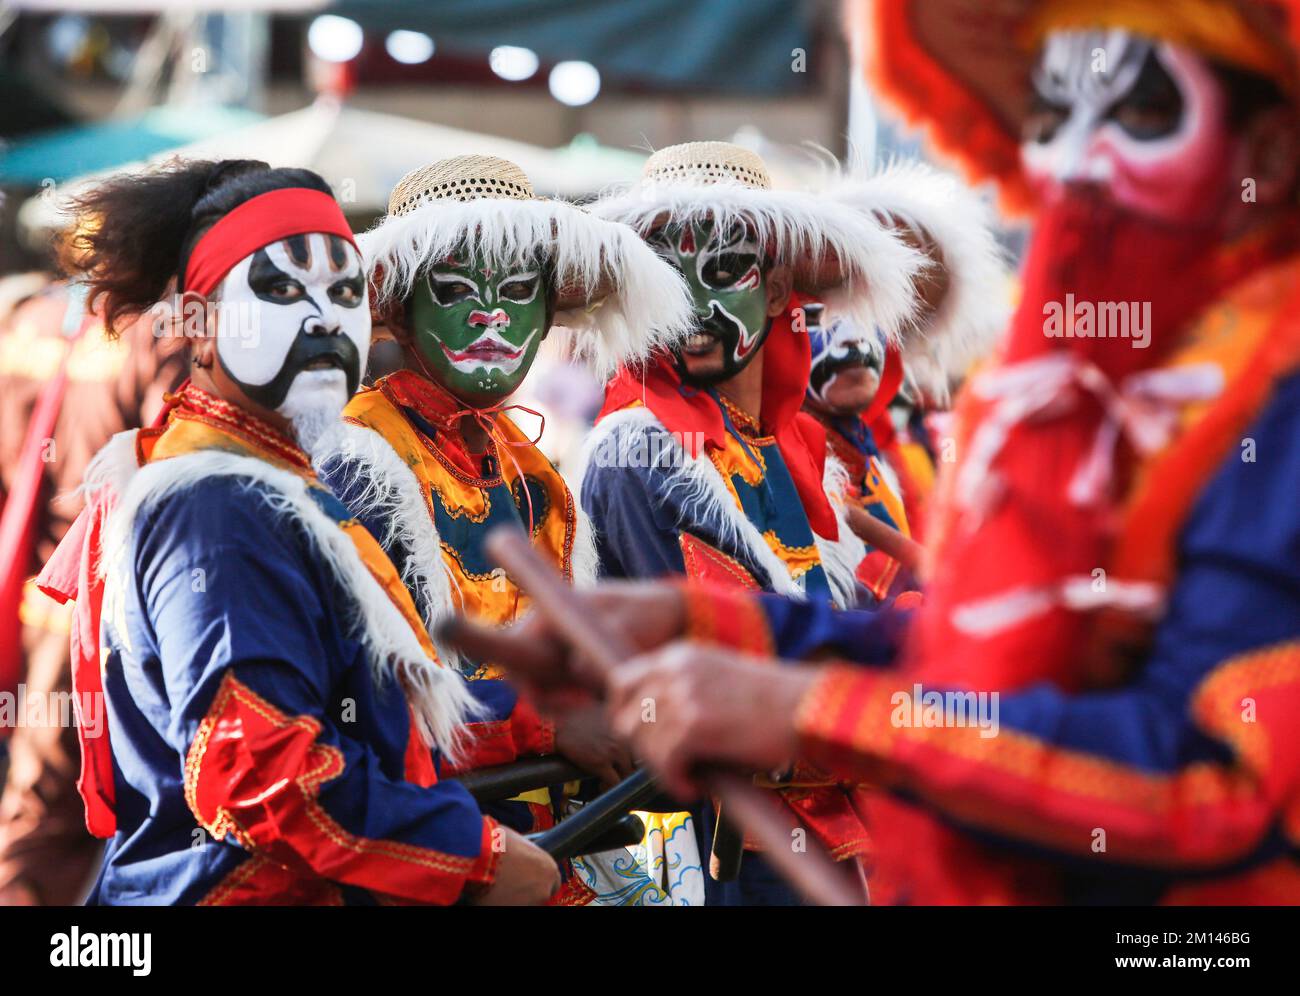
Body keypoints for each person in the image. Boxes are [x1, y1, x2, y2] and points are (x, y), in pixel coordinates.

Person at [465, 0, 1300, 904]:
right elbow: (984, 654)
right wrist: (712, 627)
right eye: (1053, 122)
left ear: (1267, 157)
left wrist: (802, 705)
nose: (1076, 164)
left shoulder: (1266, 399)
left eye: (1141, 116)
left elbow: (1218, 778)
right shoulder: (1104, 389)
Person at [37, 159, 559, 905]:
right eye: (280, 290)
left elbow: (376, 722)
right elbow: (254, 772)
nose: (322, 318)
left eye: (344, 293)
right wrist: (475, 856)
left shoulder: (269, 474)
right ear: (198, 325)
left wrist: (545, 721)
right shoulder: (215, 503)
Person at [314, 154, 690, 904]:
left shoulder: (528, 463)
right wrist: (546, 728)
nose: (491, 317)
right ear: (397, 307)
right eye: (456, 291)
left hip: (550, 833)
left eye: (518, 292)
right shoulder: (362, 459)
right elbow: (363, 704)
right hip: (435, 853)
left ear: (549, 311)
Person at [576, 140, 928, 904]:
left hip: (815, 822)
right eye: (666, 277)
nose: (693, 307)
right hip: (715, 842)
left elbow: (817, 622)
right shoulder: (638, 448)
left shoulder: (780, 445)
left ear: (774, 293)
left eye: (722, 271)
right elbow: (731, 658)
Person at [0, 274, 188, 905]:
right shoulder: (157, 329)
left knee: (42, 801)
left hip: (33, 594)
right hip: (100, 613)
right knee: (56, 814)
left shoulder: (30, 317)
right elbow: (174, 457)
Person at [801, 162, 1007, 600]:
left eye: (874, 314)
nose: (853, 341)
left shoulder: (876, 458)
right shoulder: (786, 457)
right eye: (823, 316)